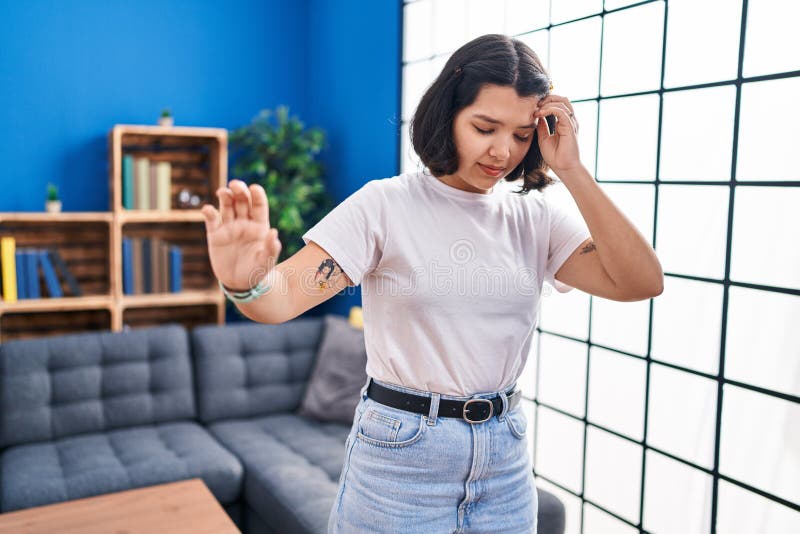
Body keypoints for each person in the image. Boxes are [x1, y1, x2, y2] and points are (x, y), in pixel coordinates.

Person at [201, 33, 663, 534]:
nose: (502, 151)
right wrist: (241, 280)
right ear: (448, 115)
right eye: (485, 127)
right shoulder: (384, 205)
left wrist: (572, 171)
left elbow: (641, 281)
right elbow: (279, 299)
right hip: (400, 458)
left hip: (504, 457)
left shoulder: (536, 221)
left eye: (522, 134)